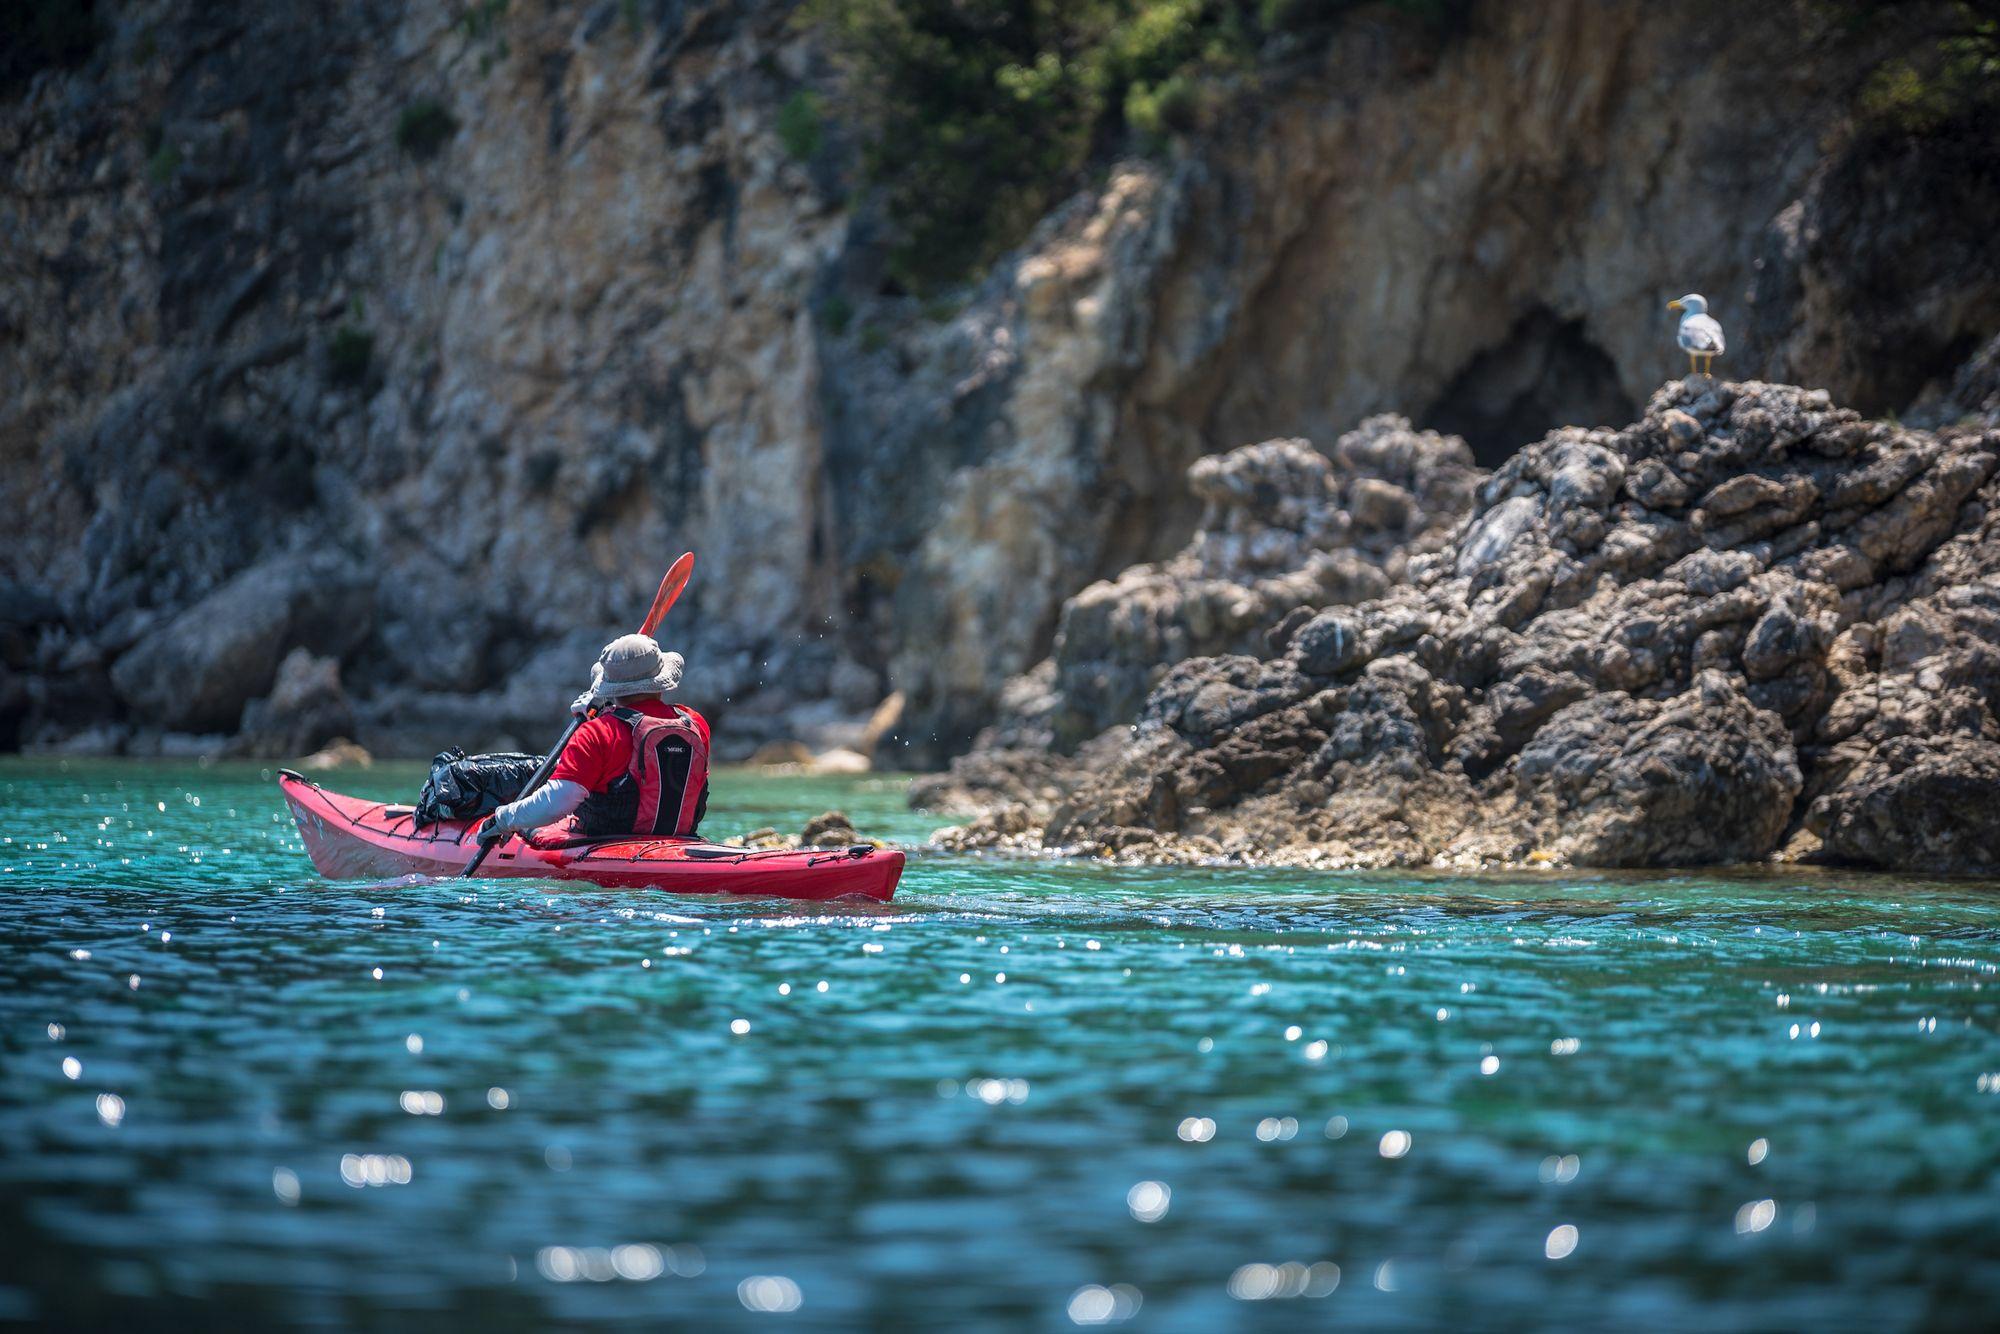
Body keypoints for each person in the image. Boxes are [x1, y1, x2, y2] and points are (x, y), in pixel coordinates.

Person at [480, 634, 710, 844]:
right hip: (681, 840)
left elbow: (557, 803)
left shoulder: (596, 732)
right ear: (661, 681)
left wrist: (503, 819)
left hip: (608, 844)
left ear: (610, 688)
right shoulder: (695, 723)